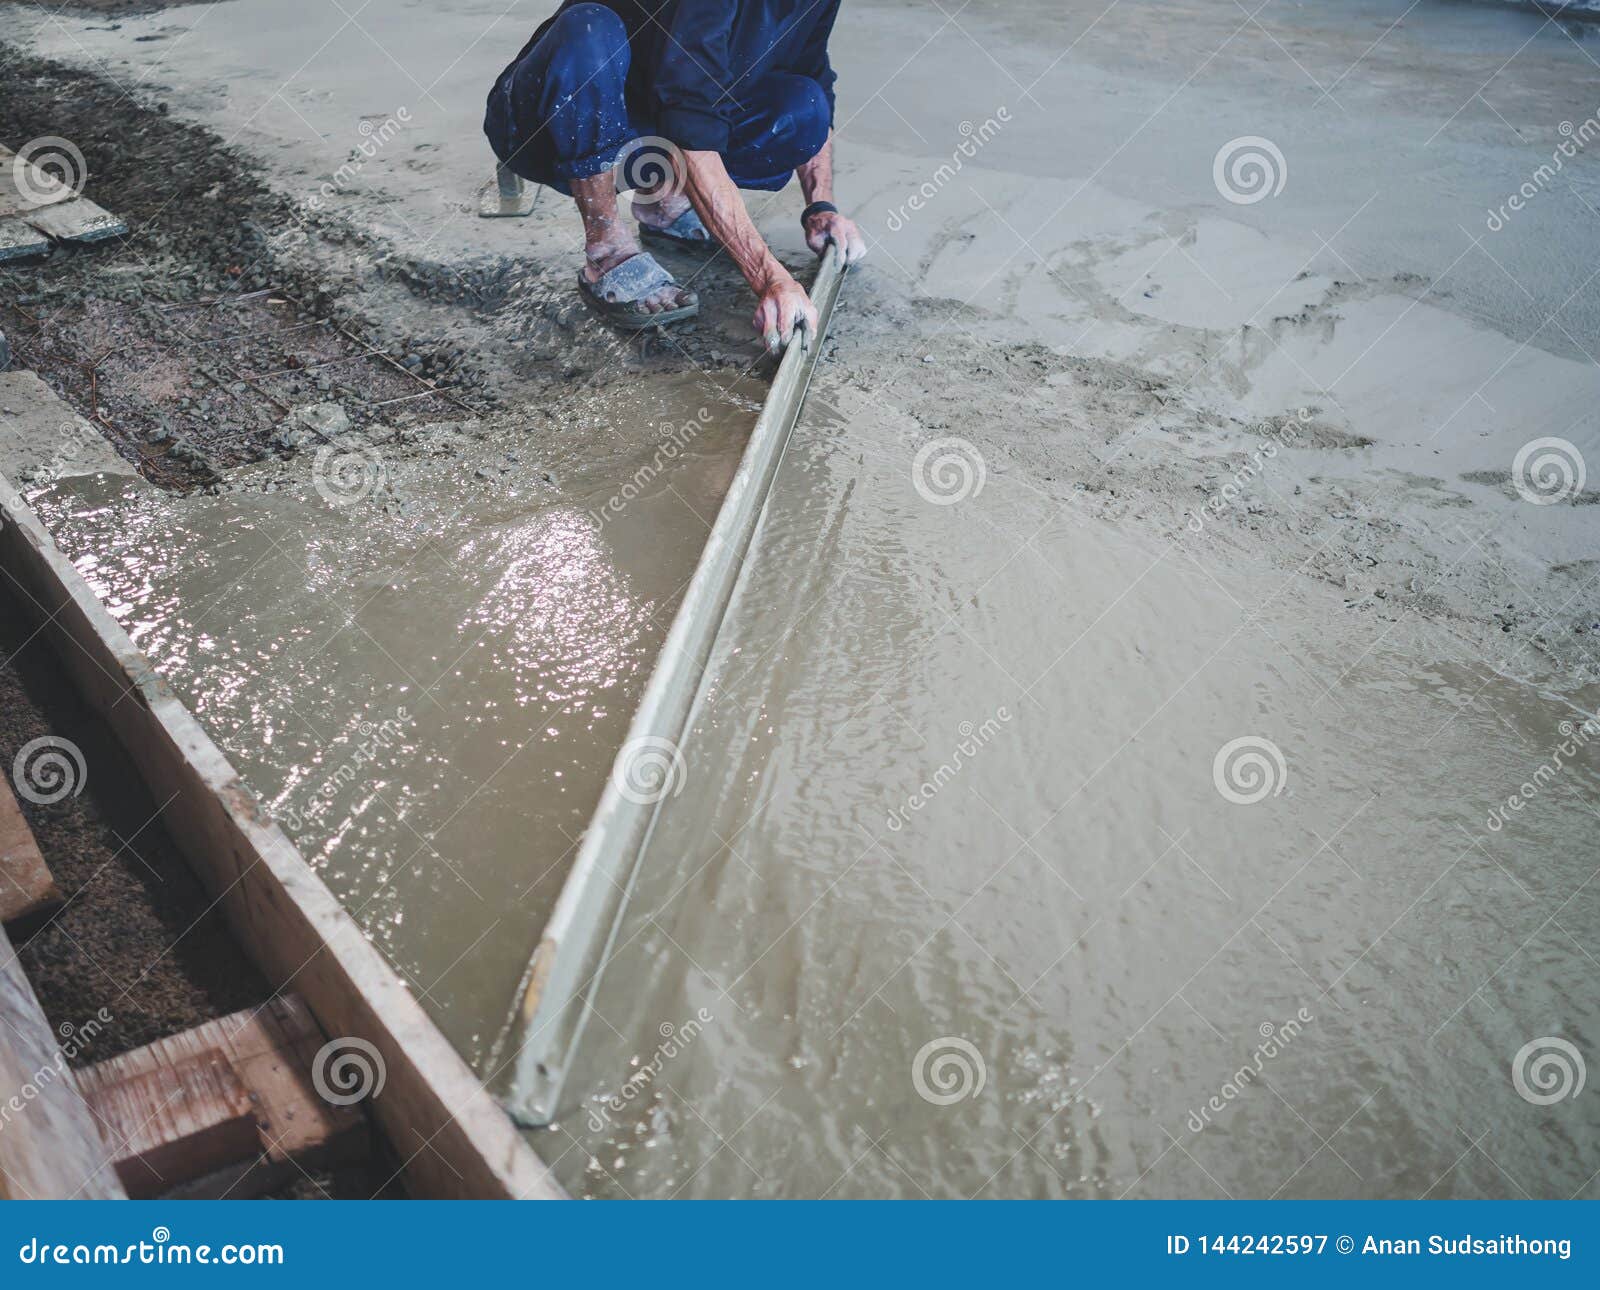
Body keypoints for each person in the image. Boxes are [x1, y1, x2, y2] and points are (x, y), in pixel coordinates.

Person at [484, 0, 867, 349]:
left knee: (804, 103)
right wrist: (770, 279)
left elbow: (813, 73)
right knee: (590, 29)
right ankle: (608, 249)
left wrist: (821, 205)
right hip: (547, 127)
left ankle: (665, 202)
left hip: (645, 127)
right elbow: (689, 124)